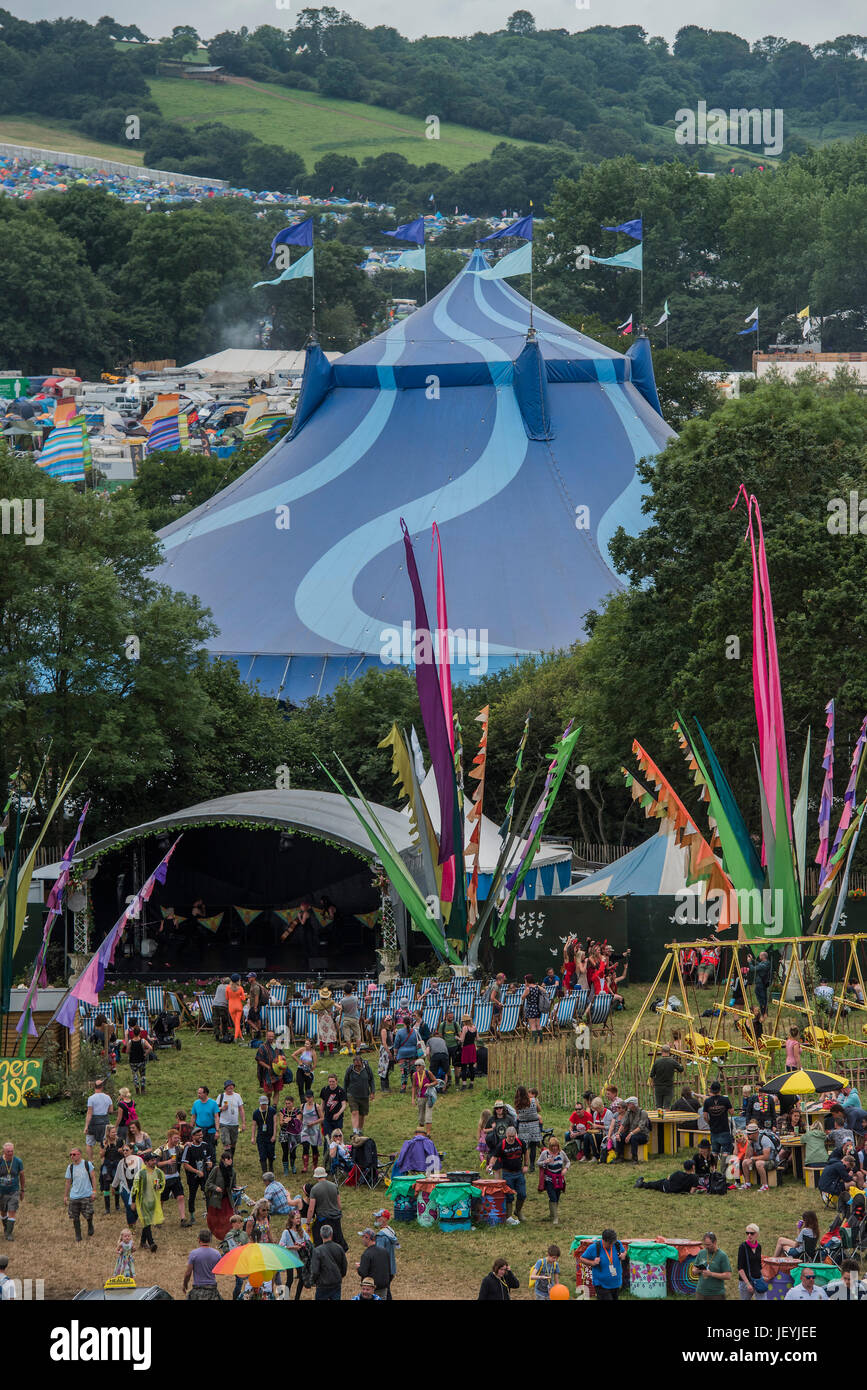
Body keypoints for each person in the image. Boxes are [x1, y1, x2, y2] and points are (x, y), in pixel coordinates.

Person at [491, 1125, 528, 1224]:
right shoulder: (502, 1145)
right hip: (507, 1173)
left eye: (513, 1136)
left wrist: (526, 1165)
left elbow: (526, 1152)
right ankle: (508, 1216)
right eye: (509, 1136)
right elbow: (494, 1157)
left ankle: (518, 1211)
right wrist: (490, 1165)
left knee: (522, 1194)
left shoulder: (520, 1142)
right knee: (509, 1196)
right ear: (506, 1135)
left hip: (519, 1173)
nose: (511, 1138)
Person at [130, 1150, 164, 1253]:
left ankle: (142, 1242)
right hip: (142, 1202)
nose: (154, 1162)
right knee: (147, 1221)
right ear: (146, 1162)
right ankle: (151, 1243)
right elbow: (135, 1188)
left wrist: (159, 1186)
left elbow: (162, 1183)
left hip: (153, 1201)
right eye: (152, 1160)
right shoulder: (140, 1174)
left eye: (155, 1160)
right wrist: (133, 1202)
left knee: (147, 1223)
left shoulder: (158, 1172)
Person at [278, 1209, 313, 1300]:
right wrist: (292, 1247)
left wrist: (302, 1245)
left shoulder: (301, 1231)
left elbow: (308, 1241)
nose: (298, 1220)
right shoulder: (286, 1232)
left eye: (299, 1218)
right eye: (296, 1218)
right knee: (290, 1279)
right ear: (291, 1219)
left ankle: (297, 1297)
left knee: (302, 1278)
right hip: (289, 1258)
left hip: (299, 1258)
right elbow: (281, 1246)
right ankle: (284, 1297)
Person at [181, 1129, 213, 1225]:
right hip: (192, 1177)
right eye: (198, 1135)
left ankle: (210, 1215)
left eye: (201, 1134)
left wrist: (210, 1165)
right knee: (192, 1195)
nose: (201, 1136)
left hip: (204, 1176)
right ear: (193, 1136)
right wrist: (196, 1171)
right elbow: (185, 1164)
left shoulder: (205, 1146)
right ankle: (192, 1216)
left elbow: (208, 1159)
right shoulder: (189, 1148)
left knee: (208, 1194)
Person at [582, 1229, 626, 1301]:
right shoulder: (594, 1247)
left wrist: (623, 1255)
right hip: (601, 1285)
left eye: (613, 1243)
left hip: (616, 1283)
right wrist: (593, 1263)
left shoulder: (617, 1244)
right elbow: (582, 1258)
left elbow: (624, 1252)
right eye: (609, 1243)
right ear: (603, 1240)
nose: (611, 1245)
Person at [64, 1146, 96, 1243]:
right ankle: (78, 1235)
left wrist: (94, 1191)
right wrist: (65, 1195)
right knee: (75, 1216)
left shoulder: (87, 1164)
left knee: (89, 1213)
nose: (72, 1156)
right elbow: (68, 1182)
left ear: (80, 1154)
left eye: (74, 1154)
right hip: (74, 1196)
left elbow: (93, 1177)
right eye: (71, 1154)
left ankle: (90, 1225)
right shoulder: (70, 1167)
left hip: (86, 1194)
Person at [309, 1165, 346, 1248]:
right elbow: (339, 1203)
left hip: (323, 1219)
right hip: (336, 1217)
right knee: (337, 1241)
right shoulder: (334, 1186)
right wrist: (340, 1213)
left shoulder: (314, 1189)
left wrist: (308, 1222)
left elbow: (311, 1209)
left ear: (316, 1177)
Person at [155, 1130, 187, 1226]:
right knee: (161, 1200)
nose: (177, 1140)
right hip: (164, 1178)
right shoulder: (160, 1150)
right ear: (169, 1138)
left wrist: (188, 1144)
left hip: (175, 1176)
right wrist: (167, 1162)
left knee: (180, 1196)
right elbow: (155, 1163)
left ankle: (183, 1219)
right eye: (175, 1138)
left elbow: (186, 1147)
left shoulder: (179, 1147)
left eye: (178, 1138)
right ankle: (158, 1219)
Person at [204, 1148, 236, 1241]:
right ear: (223, 1160)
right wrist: (215, 1188)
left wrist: (236, 1188)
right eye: (228, 1158)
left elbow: (233, 1185)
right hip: (217, 1199)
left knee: (228, 1218)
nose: (230, 1160)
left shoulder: (233, 1172)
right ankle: (216, 1233)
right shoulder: (216, 1169)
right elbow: (208, 1183)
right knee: (215, 1219)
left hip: (227, 1199)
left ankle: (227, 1236)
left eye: (231, 1158)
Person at [310, 1223, 347, 1300]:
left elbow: (315, 1270)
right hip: (336, 1283)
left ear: (321, 1235)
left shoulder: (317, 1251)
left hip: (323, 1285)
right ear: (331, 1234)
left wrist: (313, 1281)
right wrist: (340, 1275)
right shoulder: (339, 1248)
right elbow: (344, 1266)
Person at [537, 1137, 570, 1224]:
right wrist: (545, 1161)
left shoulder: (561, 1153)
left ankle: (552, 1214)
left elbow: (568, 1162)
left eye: (556, 1146)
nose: (555, 1148)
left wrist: (565, 1169)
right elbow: (538, 1163)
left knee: (557, 1197)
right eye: (553, 1146)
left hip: (559, 1179)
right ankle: (556, 1217)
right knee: (553, 1197)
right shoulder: (545, 1153)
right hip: (549, 1179)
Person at [183, 1229, 222, 1300]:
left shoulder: (194, 1254)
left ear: (199, 1239)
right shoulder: (216, 1253)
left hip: (197, 1288)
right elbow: (221, 1271)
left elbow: (188, 1273)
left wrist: (185, 1284)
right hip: (212, 1289)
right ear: (210, 1240)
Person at [740, 1121, 779, 1191]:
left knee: (758, 1163)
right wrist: (748, 1145)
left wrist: (753, 1158)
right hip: (761, 1160)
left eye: (749, 1134)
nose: (748, 1135)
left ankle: (765, 1185)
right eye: (747, 1134)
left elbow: (766, 1157)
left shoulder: (764, 1140)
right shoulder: (752, 1141)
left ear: (756, 1133)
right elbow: (747, 1157)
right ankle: (747, 1183)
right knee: (745, 1162)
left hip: (772, 1161)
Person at [694, 1232, 731, 1302]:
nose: (706, 1247)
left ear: (715, 1242)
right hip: (700, 1293)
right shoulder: (701, 1253)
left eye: (708, 1245)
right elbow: (694, 1270)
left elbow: (728, 1276)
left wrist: (711, 1274)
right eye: (705, 1245)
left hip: (716, 1294)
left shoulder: (722, 1256)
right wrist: (698, 1270)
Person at [356, 1226, 392, 1299]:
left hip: (370, 1289)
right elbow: (389, 1270)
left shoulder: (367, 1254)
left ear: (367, 1237)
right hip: (383, 1288)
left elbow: (363, 1272)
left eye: (363, 1237)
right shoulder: (384, 1251)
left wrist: (359, 1268)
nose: (362, 1239)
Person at [343, 1054, 376, 1133]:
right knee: (354, 1112)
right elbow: (345, 1082)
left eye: (359, 1065)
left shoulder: (367, 1069)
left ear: (362, 1063)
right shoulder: (350, 1070)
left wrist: (372, 1092)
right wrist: (344, 1095)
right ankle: (355, 1131)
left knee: (362, 1114)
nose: (357, 1067)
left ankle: (360, 1130)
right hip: (352, 1095)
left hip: (364, 1095)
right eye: (356, 1065)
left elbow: (371, 1080)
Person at [84, 1078, 114, 1160]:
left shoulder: (91, 1098)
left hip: (93, 1122)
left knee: (89, 1143)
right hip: (104, 1122)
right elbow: (111, 1111)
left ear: (94, 1087)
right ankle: (103, 1161)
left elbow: (89, 1113)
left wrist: (86, 1126)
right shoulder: (108, 1097)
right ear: (102, 1087)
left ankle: (91, 1161)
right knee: (103, 1143)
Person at [515, 1085, 543, 1171]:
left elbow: (517, 1114)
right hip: (534, 1124)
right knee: (533, 1146)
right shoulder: (533, 1100)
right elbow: (539, 1109)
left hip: (523, 1126)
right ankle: (532, 1165)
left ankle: (521, 1164)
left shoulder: (517, 1103)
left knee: (523, 1146)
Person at [635, 1157, 701, 1194]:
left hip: (666, 1186)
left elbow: (668, 1178)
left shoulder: (678, 1173)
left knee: (655, 1183)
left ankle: (642, 1184)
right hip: (672, 1190)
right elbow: (692, 1192)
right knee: (656, 1184)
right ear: (693, 1167)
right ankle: (642, 1184)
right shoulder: (695, 1178)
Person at [613, 1097, 651, 1162]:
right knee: (620, 1136)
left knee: (634, 1138)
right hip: (632, 1133)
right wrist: (618, 1133)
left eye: (628, 1104)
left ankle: (634, 1158)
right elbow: (624, 1123)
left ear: (633, 1104)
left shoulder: (643, 1113)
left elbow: (640, 1127)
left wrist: (630, 1134)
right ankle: (620, 1156)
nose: (627, 1105)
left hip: (642, 1134)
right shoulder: (629, 1112)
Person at [702, 1080, 734, 1156]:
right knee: (726, 1151)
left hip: (714, 1129)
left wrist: (710, 1123)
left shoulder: (707, 1101)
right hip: (724, 1129)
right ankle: (724, 1167)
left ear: (711, 1090)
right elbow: (732, 1112)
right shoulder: (725, 1099)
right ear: (720, 1089)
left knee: (714, 1152)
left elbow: (705, 1116)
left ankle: (714, 1167)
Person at [737, 1223, 767, 1301]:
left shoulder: (759, 1247)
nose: (749, 1235)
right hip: (746, 1281)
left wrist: (762, 1276)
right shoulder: (743, 1247)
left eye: (752, 1233)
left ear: (757, 1234)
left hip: (758, 1280)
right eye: (747, 1233)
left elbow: (758, 1264)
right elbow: (740, 1268)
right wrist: (747, 1284)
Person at [0, 1142, 24, 1241]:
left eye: (12, 1151)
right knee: (3, 1212)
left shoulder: (18, 1161)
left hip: (14, 1191)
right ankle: (6, 1228)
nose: (10, 1153)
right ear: (4, 1151)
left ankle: (9, 1234)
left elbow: (22, 1175)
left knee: (12, 1211)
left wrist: (22, 1190)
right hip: (1, 1191)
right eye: (8, 1151)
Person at [649, 1045, 684, 1110]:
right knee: (667, 1106)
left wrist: (652, 1083)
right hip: (668, 1086)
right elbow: (681, 1069)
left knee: (659, 1106)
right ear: (669, 1052)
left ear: (662, 1051)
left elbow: (652, 1075)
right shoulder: (672, 1061)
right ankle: (666, 1119)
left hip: (658, 1087)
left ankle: (660, 1119)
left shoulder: (657, 1062)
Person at [256, 1031, 287, 1102]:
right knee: (269, 1092)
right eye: (269, 1036)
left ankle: (274, 1106)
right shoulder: (262, 1047)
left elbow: (282, 1055)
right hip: (267, 1073)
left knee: (277, 1090)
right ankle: (268, 1100)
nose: (271, 1038)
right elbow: (259, 1060)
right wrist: (267, 1066)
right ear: (266, 1037)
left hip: (277, 1072)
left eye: (272, 1036)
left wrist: (283, 1057)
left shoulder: (277, 1046)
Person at [216, 1079, 245, 1156]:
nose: (230, 1087)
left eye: (231, 1086)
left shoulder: (237, 1096)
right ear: (225, 1088)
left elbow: (241, 1109)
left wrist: (243, 1123)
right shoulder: (221, 1096)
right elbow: (215, 1109)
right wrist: (222, 1108)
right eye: (228, 1086)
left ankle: (230, 1160)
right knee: (226, 1143)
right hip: (224, 1123)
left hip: (235, 1124)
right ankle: (228, 1162)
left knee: (233, 1143)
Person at [252, 1095, 278, 1175]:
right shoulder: (256, 1113)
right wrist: (252, 1137)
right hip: (261, 1136)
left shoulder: (272, 1111)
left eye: (265, 1104)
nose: (264, 1106)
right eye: (262, 1104)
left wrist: (274, 1135)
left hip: (270, 1135)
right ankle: (264, 1171)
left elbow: (275, 1123)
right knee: (262, 1154)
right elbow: (254, 1125)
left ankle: (270, 1167)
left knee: (270, 1153)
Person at [191, 1086, 220, 1157]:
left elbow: (216, 1117)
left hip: (210, 1131)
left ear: (206, 1093)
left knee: (211, 1149)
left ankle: (212, 1165)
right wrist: (191, 1129)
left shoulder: (213, 1103)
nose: (198, 1095)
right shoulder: (196, 1103)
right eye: (198, 1093)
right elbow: (193, 1117)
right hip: (199, 1130)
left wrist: (217, 1131)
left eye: (200, 1093)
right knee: (199, 1148)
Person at [411, 1057, 438, 1135]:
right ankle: (422, 1132)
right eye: (416, 1065)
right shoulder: (414, 1075)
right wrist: (413, 1099)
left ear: (423, 1066)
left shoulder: (428, 1073)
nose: (417, 1067)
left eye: (419, 1065)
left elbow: (436, 1082)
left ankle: (428, 1133)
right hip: (420, 1097)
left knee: (428, 1114)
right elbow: (414, 1086)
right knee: (421, 1115)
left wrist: (430, 1084)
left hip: (429, 1097)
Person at [298, 1092, 324, 1172]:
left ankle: (315, 1165)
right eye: (307, 1097)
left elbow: (322, 1118)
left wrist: (313, 1123)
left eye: (310, 1097)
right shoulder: (302, 1106)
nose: (309, 1099)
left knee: (314, 1147)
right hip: (305, 1129)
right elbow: (300, 1117)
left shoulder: (317, 1106)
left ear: (313, 1097)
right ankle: (305, 1166)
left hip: (314, 1129)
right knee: (305, 1147)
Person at [124, 1027, 152, 1096]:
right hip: (141, 1060)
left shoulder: (130, 1042)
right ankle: (143, 1089)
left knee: (135, 1075)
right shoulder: (143, 1041)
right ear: (140, 1033)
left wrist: (131, 1052)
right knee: (142, 1075)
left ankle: (137, 1090)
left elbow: (127, 1051)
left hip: (133, 1061)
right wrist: (145, 1054)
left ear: (133, 1033)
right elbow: (150, 1048)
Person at [319, 1073, 348, 1140]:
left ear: (336, 1081)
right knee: (327, 1137)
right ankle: (327, 1150)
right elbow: (322, 1104)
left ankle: (338, 1149)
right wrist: (321, 1116)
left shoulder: (341, 1091)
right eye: (330, 1081)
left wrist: (338, 1114)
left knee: (337, 1137)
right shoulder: (324, 1090)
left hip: (338, 1118)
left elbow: (344, 1105)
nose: (331, 1083)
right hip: (327, 1117)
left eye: (333, 1081)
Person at [278, 1098, 302, 1176]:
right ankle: (285, 1169)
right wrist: (286, 1121)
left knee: (293, 1151)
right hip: (284, 1132)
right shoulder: (282, 1111)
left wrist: (290, 1119)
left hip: (293, 1133)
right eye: (286, 1103)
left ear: (292, 1103)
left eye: (289, 1103)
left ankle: (293, 1165)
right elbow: (281, 1123)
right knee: (285, 1152)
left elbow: (298, 1122)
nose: (287, 1105)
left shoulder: (297, 1111)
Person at [337, 982, 362, 1052]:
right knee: (358, 1035)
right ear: (352, 990)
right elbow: (358, 1007)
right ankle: (358, 1050)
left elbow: (341, 1009)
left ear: (344, 991)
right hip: (354, 1018)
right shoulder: (355, 998)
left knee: (347, 1036)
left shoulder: (342, 1000)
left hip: (346, 1019)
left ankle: (350, 1051)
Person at [521, 974, 545, 1043]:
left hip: (531, 1007)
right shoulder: (537, 987)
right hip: (537, 1007)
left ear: (527, 981)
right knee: (538, 1024)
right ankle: (541, 1041)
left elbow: (522, 997)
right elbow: (544, 991)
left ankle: (534, 1041)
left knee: (532, 1025)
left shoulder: (528, 989)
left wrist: (526, 988)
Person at [246, 973, 270, 1041]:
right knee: (257, 1019)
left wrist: (255, 1007)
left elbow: (256, 997)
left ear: (253, 978)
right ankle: (258, 1033)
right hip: (256, 1005)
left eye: (249, 977)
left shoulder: (255, 987)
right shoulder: (254, 985)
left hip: (255, 1005)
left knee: (248, 1020)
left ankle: (258, 1031)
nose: (248, 979)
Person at [226, 974, 246, 1042]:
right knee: (237, 1023)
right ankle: (239, 1037)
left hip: (231, 1007)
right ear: (238, 980)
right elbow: (243, 999)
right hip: (238, 1006)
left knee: (236, 1023)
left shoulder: (228, 988)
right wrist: (239, 997)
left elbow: (227, 998)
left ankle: (236, 1037)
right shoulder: (240, 988)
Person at [212, 976, 231, 1042]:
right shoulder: (229, 987)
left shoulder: (219, 986)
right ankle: (225, 1033)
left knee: (215, 1021)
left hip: (215, 1004)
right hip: (223, 1005)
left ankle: (216, 1035)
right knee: (224, 1020)